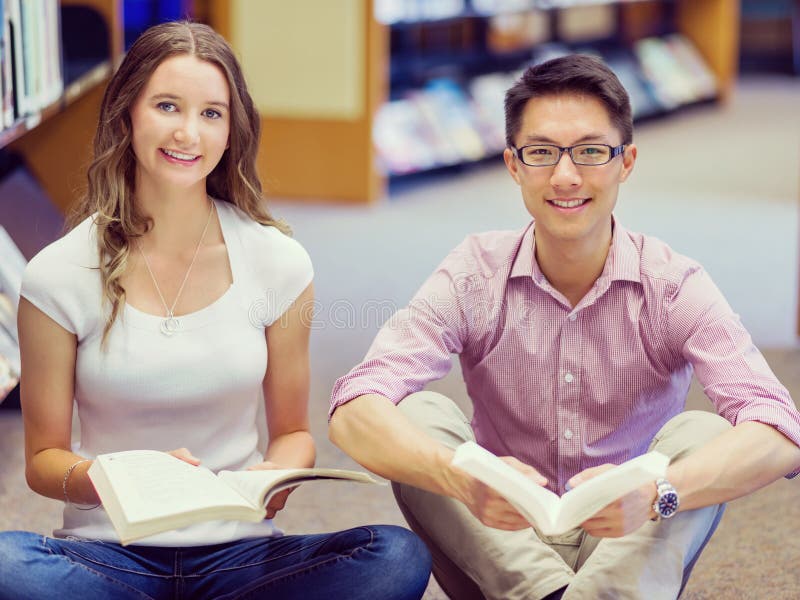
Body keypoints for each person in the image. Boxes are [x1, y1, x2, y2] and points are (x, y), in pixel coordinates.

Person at [328, 54, 800, 600]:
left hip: (627, 536)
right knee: (416, 416)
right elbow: (355, 406)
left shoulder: (671, 284)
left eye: (592, 152)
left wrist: (656, 491)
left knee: (705, 435)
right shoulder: (474, 273)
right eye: (542, 152)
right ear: (513, 164)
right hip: (497, 537)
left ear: (626, 162)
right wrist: (459, 477)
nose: (566, 175)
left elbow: (781, 430)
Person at [0, 21, 430, 600]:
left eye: (211, 113)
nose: (188, 132)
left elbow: (294, 434)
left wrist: (272, 478)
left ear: (232, 131)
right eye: (168, 106)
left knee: (393, 555)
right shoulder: (56, 273)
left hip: (242, 554)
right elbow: (42, 461)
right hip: (109, 557)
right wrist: (114, 478)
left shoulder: (278, 261)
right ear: (127, 115)